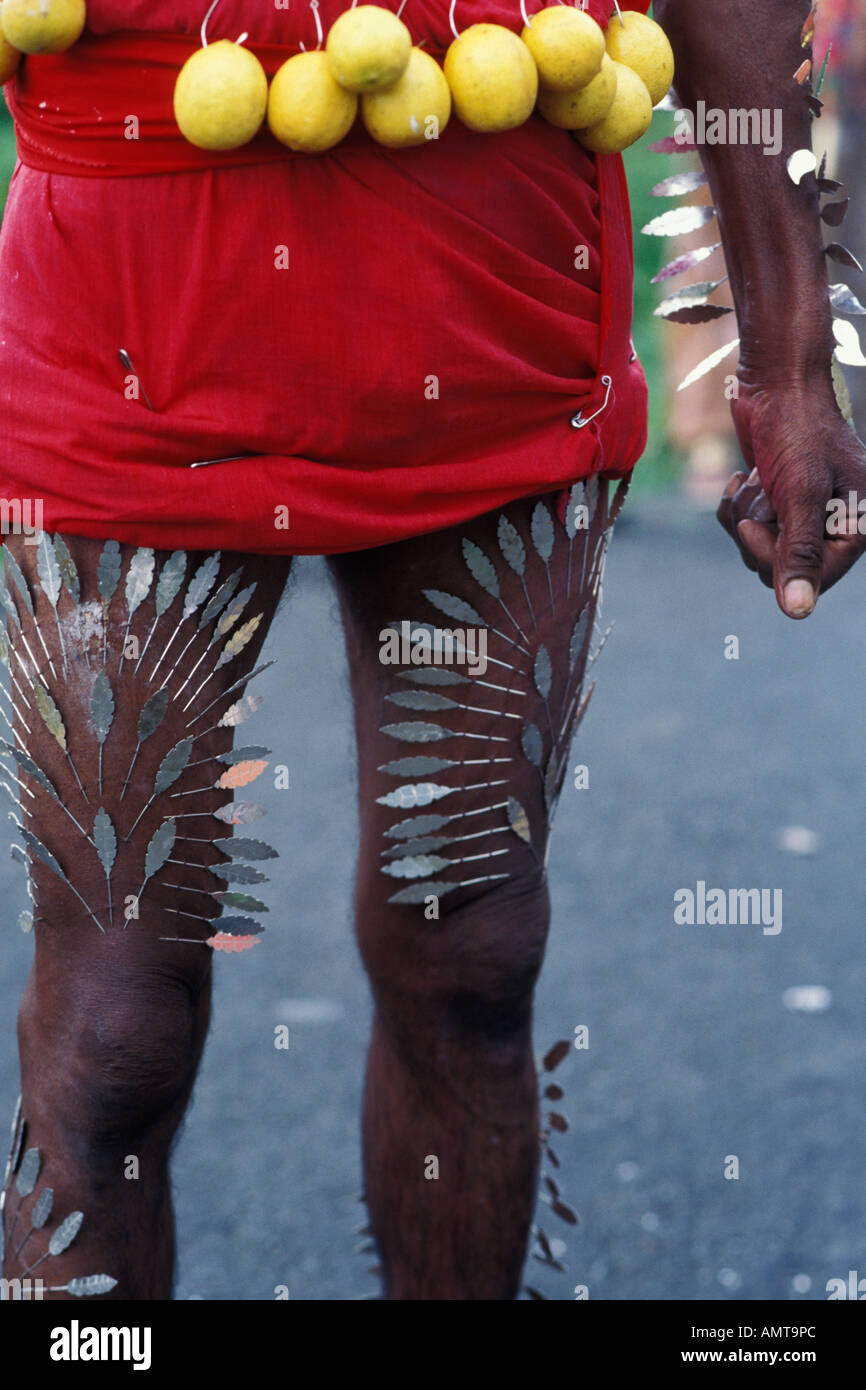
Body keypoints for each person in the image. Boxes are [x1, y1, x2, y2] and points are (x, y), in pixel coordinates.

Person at [1, 0, 864, 1302]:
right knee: (111, 1020)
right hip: (125, 282)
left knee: (467, 943)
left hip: (489, 276)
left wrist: (791, 356)